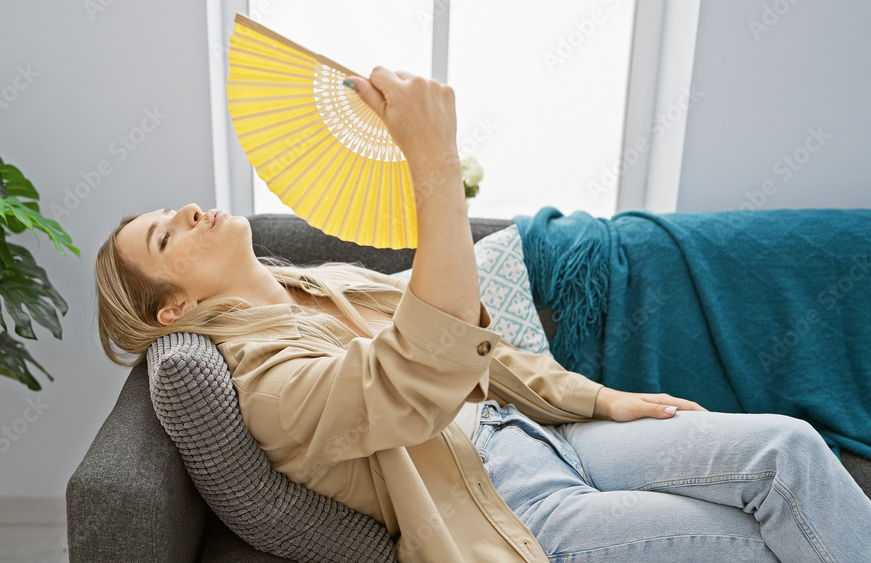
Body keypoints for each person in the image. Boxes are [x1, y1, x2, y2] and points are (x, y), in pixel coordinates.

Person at [94, 67, 871, 562]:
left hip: (544, 433)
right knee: (764, 543)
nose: (191, 210)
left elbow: (480, 346)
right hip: (510, 505)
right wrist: (433, 160)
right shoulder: (262, 382)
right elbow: (415, 373)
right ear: (177, 310)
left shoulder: (316, 279)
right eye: (167, 233)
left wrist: (600, 398)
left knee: (792, 449)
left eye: (173, 208)